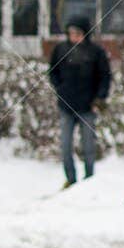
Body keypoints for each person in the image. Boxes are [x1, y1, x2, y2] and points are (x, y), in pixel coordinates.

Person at [48, 16, 111, 190]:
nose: (74, 37)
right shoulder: (60, 50)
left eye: (78, 33)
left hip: (87, 106)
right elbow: (53, 72)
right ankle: (71, 179)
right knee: (65, 145)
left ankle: (89, 180)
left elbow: (104, 77)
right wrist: (59, 89)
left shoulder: (96, 53)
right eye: (71, 33)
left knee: (88, 146)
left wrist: (100, 98)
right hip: (66, 105)